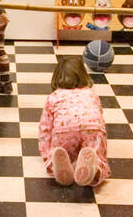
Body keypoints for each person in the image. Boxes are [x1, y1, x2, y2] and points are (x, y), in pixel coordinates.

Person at [39, 56, 109, 188]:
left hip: (64, 128)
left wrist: (47, 155)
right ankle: (93, 169)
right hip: (92, 126)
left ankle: (58, 165)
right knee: (96, 154)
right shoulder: (91, 93)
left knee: (61, 153)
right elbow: (99, 117)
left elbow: (45, 129)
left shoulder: (54, 97)